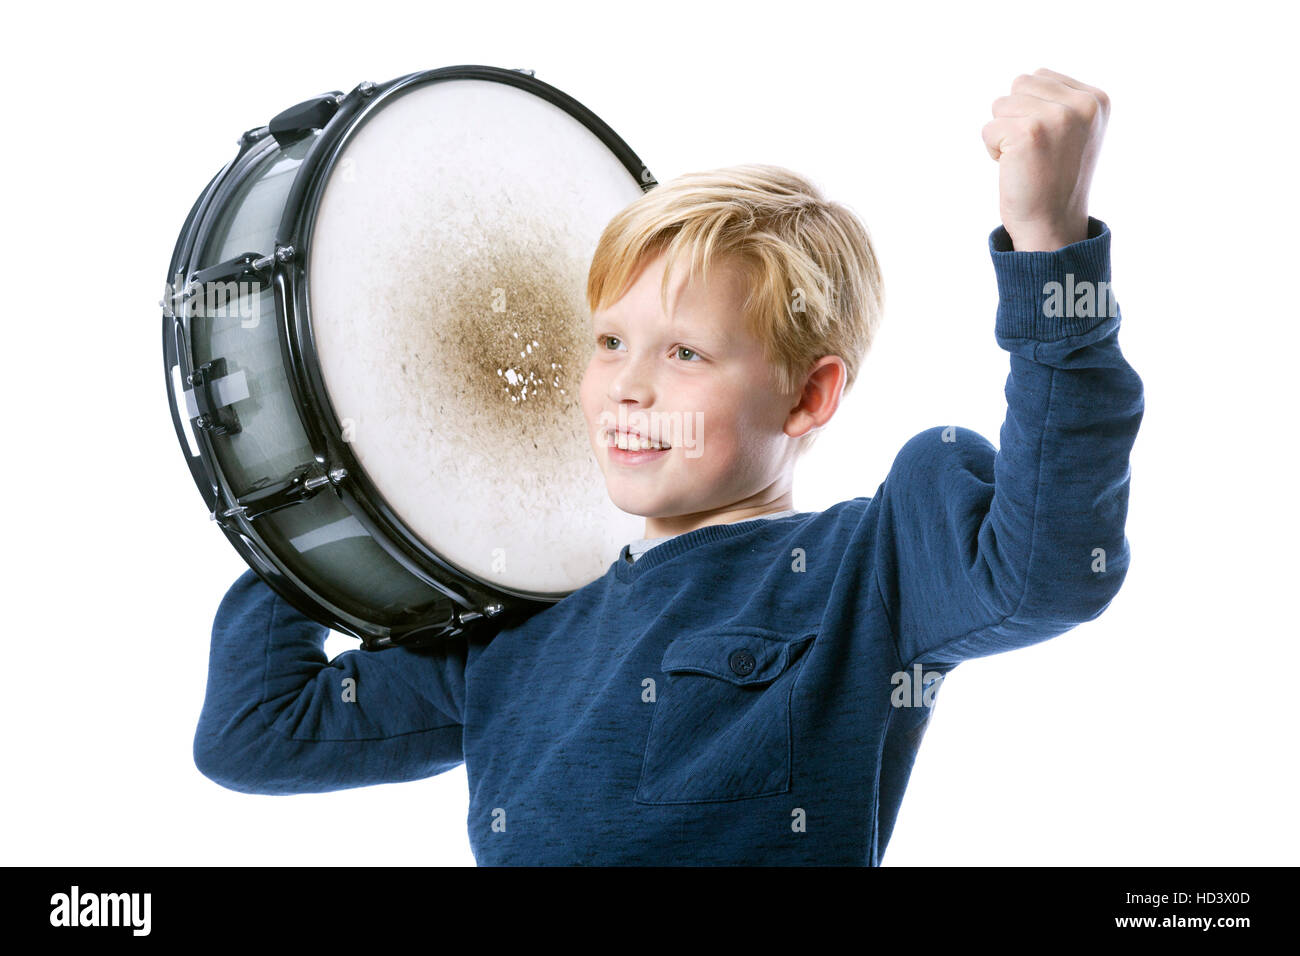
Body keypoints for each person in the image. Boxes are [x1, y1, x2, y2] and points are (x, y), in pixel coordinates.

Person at [194, 68, 1142, 865]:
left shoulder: (875, 565)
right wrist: (334, 454)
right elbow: (257, 731)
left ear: (809, 398)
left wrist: (1050, 251)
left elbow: (1049, 571)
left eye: (685, 354)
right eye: (608, 341)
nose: (625, 388)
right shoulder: (519, 629)